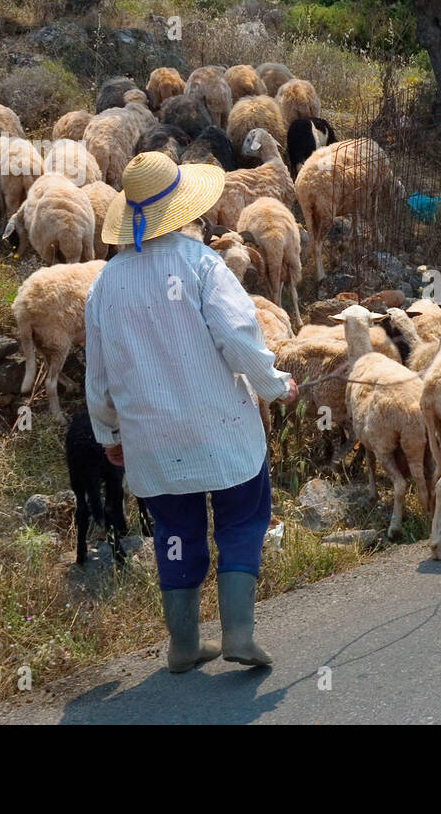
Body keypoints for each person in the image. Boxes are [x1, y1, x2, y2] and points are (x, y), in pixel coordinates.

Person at [84, 152, 299, 672]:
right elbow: (238, 338)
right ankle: (240, 634)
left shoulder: (105, 284)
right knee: (243, 518)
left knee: (175, 533)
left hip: (153, 442)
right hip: (220, 431)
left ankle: (183, 644)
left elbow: (99, 374)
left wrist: (109, 432)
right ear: (184, 209)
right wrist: (275, 385)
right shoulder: (203, 266)